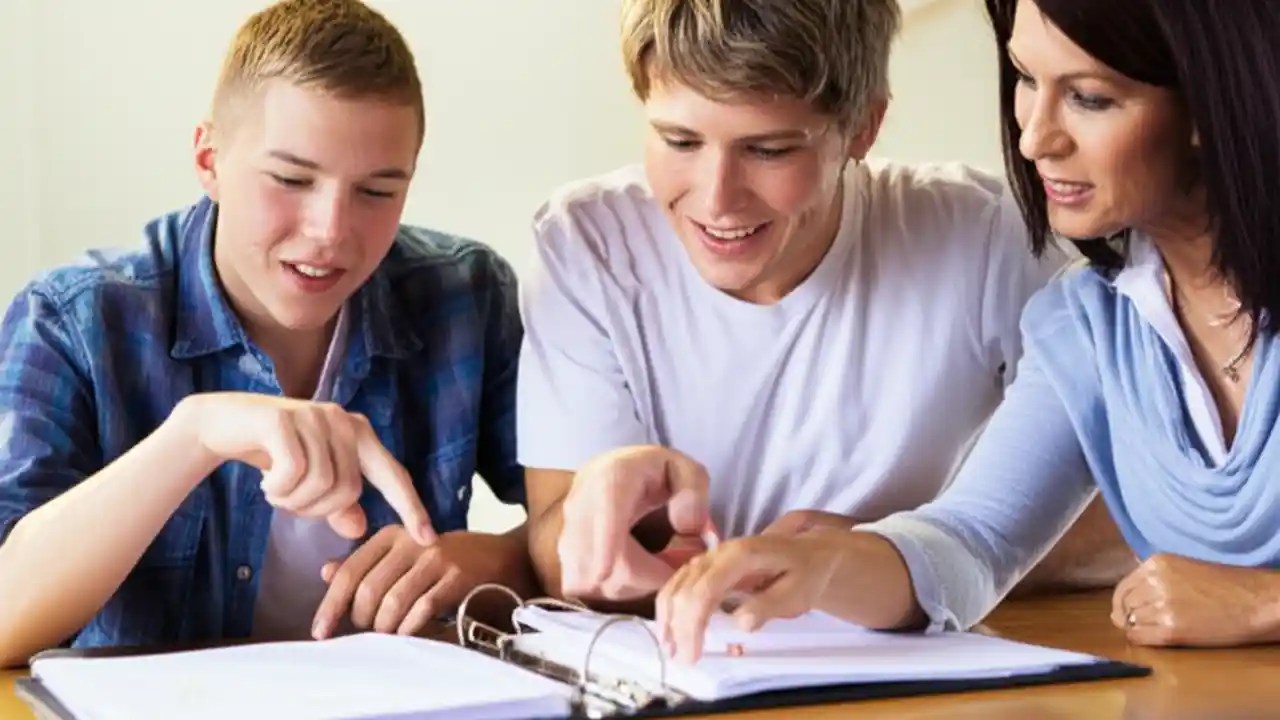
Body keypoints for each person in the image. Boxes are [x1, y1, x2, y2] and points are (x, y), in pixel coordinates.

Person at [652, 0, 1280, 662]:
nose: (1036, 137)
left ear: (1210, 103)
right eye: (1026, 79)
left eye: (1090, 99)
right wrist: (818, 567)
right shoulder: (1090, 326)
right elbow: (973, 541)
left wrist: (1265, 602)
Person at [519, 0, 1127, 612]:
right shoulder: (588, 243)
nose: (717, 198)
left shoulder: (986, 236)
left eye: (769, 150)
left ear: (863, 127)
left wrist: (886, 559)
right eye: (680, 140)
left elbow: (1137, 520)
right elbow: (554, 556)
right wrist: (597, 523)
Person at [0, 0, 535, 667]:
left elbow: (577, 523)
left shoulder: (467, 296)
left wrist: (498, 556)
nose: (330, 231)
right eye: (290, 178)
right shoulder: (73, 321)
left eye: (376, 192)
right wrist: (193, 436)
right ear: (208, 157)